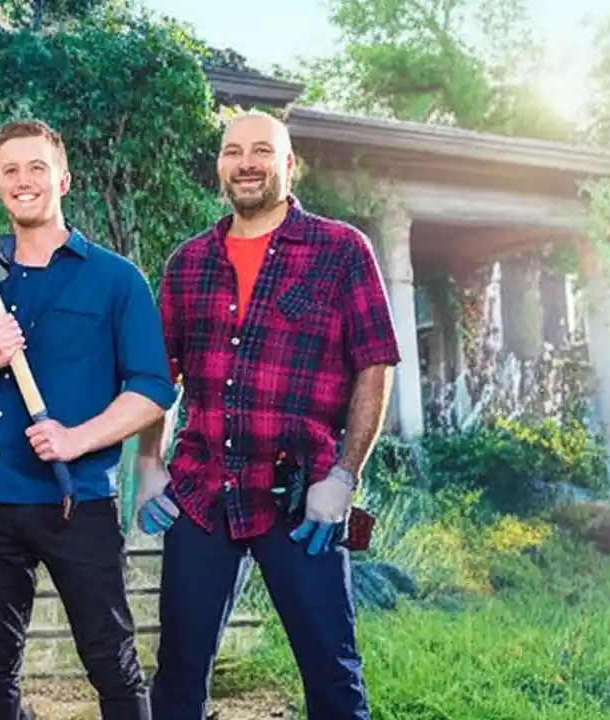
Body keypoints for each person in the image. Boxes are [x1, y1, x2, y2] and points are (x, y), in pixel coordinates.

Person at [133, 109, 399, 720]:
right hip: (202, 493)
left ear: (287, 164)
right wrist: (149, 462)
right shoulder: (188, 263)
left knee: (332, 679)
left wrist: (345, 477)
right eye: (232, 152)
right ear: (221, 166)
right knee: (176, 680)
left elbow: (374, 367)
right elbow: (158, 378)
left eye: (261, 151)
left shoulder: (341, 251)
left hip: (300, 500)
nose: (245, 163)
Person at [0, 119, 177, 720]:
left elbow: (152, 389)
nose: (24, 181)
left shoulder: (116, 280)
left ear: (62, 179)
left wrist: (77, 439)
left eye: (37, 167)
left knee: (111, 661)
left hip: (80, 504)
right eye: (11, 170)